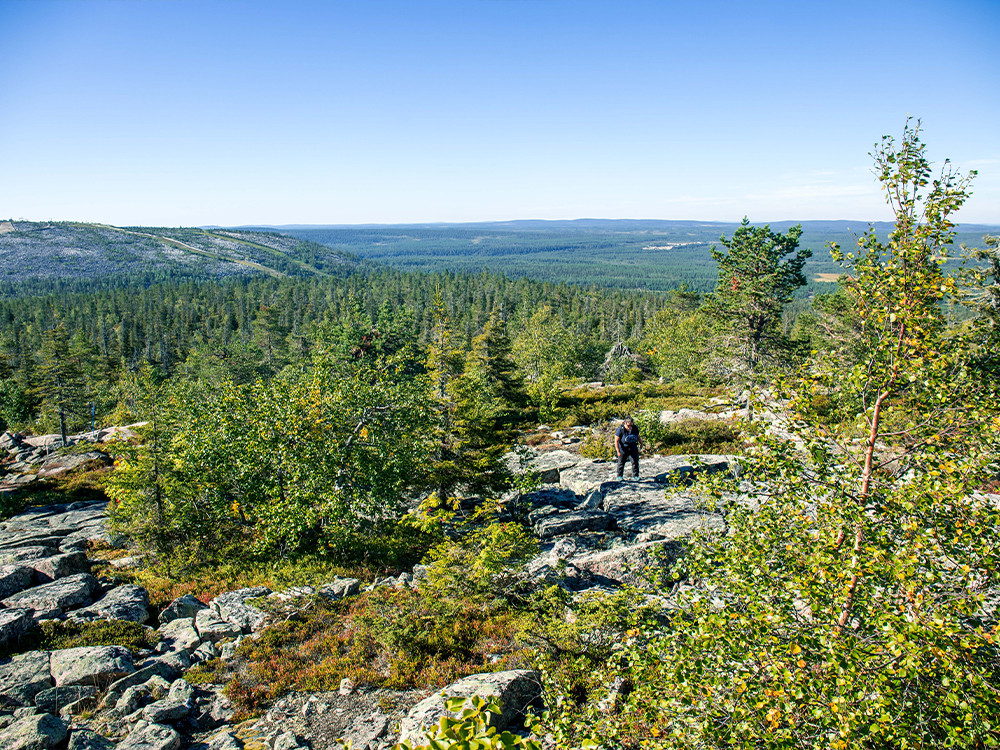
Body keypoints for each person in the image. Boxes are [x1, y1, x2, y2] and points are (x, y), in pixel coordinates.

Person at [615, 415, 640, 480]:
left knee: (635, 462)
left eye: (631, 425)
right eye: (628, 425)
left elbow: (638, 436)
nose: (630, 427)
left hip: (633, 448)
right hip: (623, 449)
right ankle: (619, 476)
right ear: (625, 423)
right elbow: (616, 441)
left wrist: (641, 443)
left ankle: (636, 476)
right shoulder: (621, 429)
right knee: (621, 463)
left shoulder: (634, 428)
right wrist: (618, 451)